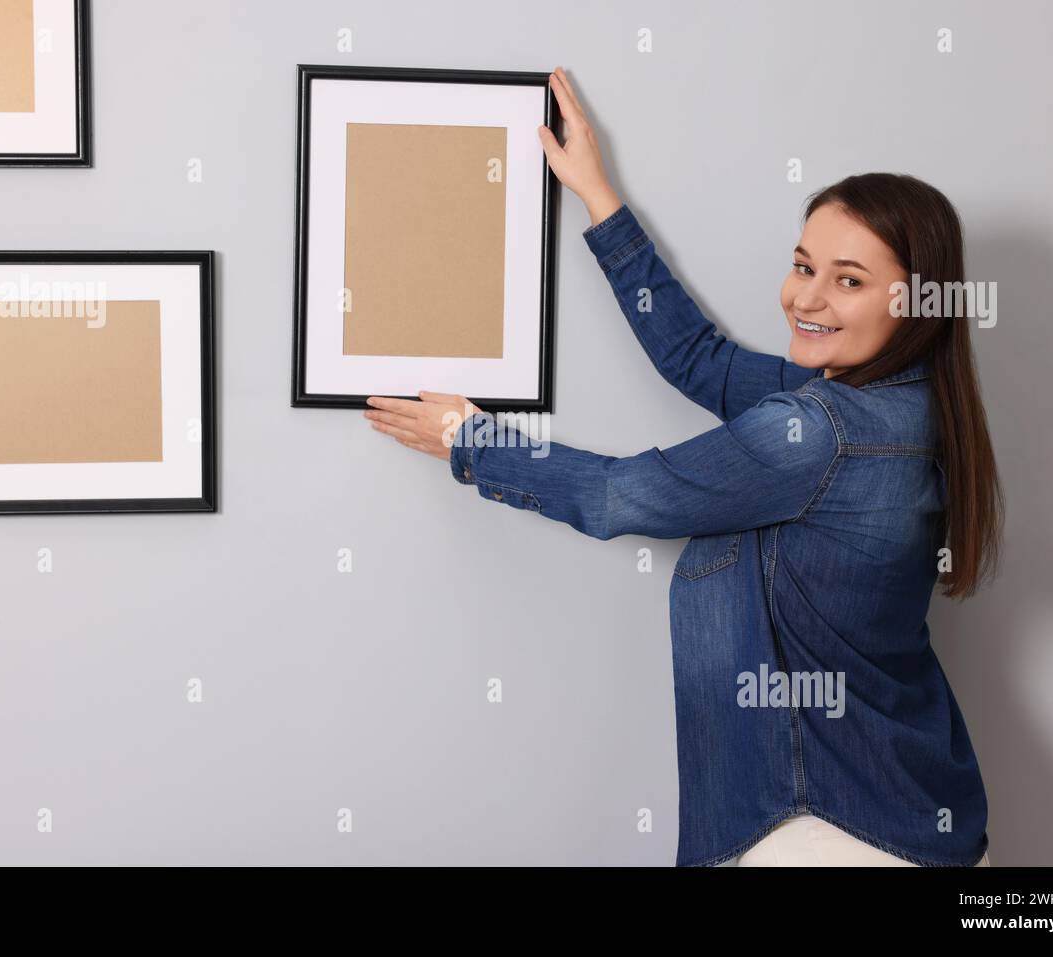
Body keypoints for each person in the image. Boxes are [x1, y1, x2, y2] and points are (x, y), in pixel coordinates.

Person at [364, 67, 1002, 867]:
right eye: (804, 265)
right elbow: (701, 361)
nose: (807, 298)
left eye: (849, 281)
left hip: (828, 837)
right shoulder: (907, 405)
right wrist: (599, 197)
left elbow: (619, 492)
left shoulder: (816, 430)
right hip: (923, 814)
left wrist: (471, 440)